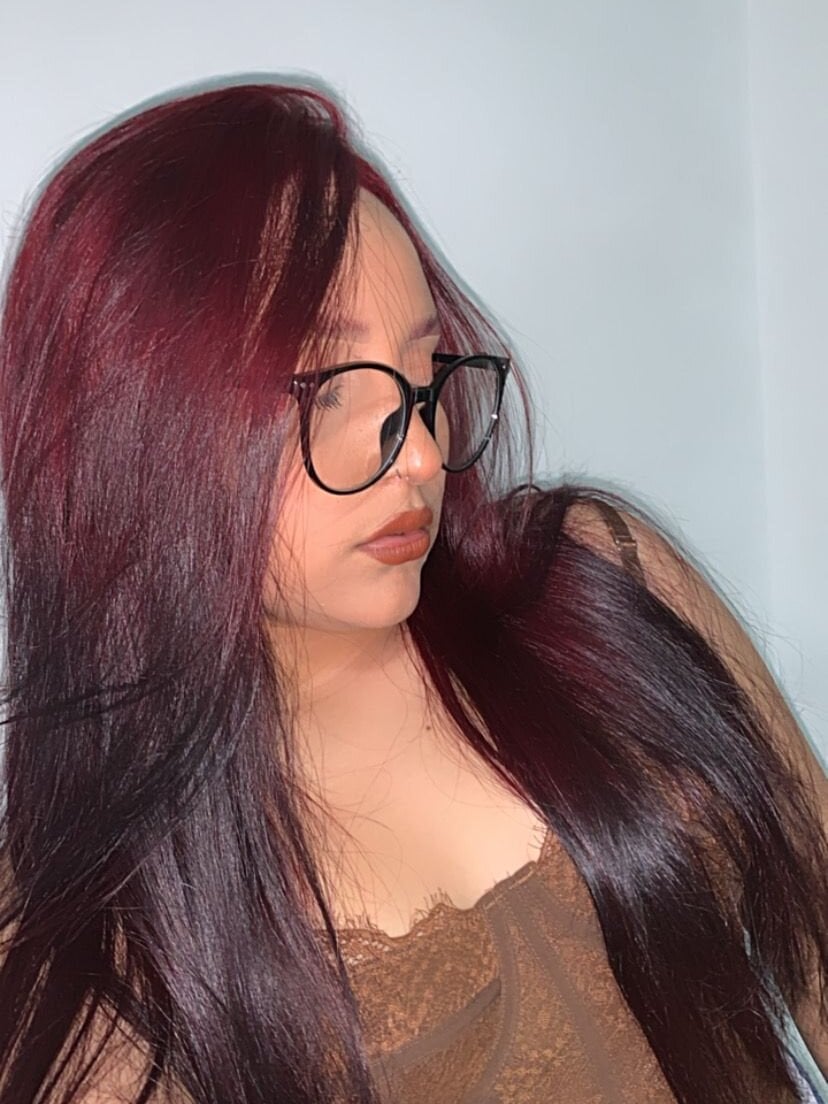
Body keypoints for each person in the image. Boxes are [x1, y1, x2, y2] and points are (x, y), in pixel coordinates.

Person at [0, 81, 824, 1104]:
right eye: (324, 390)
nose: (421, 456)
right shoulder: (95, 950)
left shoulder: (603, 588)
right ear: (133, 434)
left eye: (421, 374)